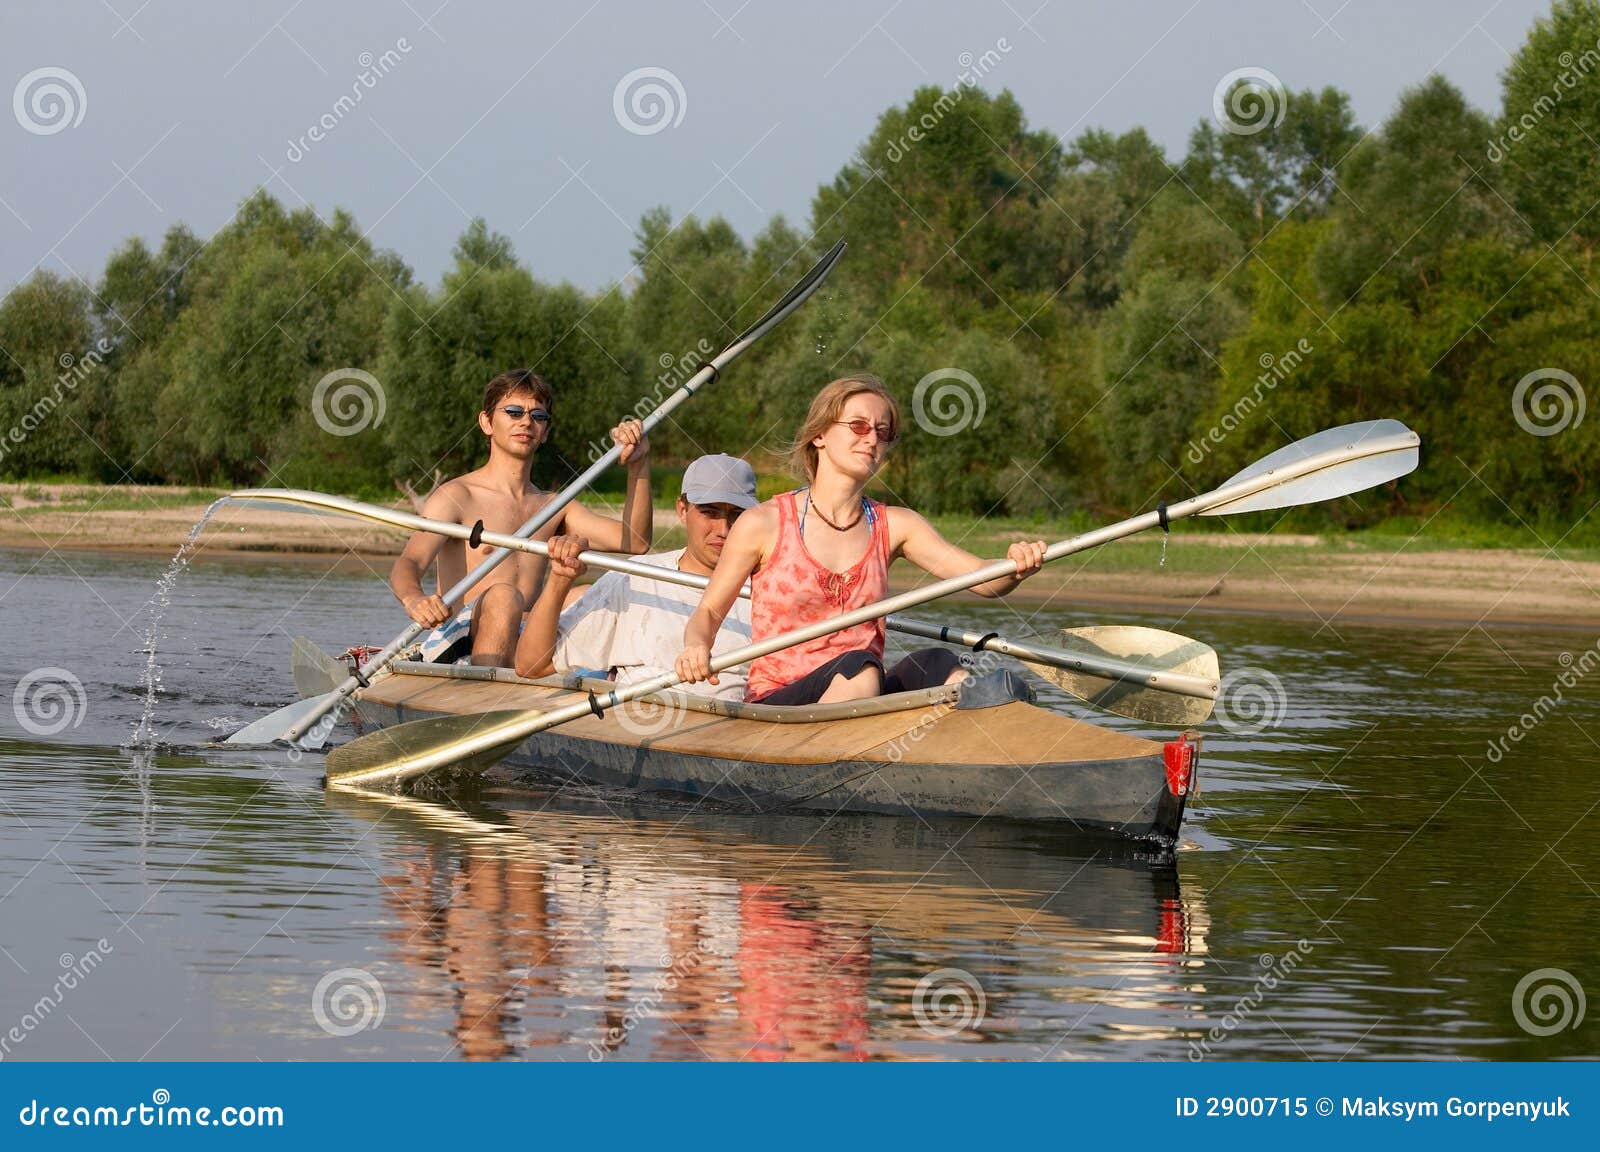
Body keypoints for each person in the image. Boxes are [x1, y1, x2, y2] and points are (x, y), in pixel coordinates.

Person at [675, 375, 1046, 705]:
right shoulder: (763, 523)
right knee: (861, 667)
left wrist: (1015, 566)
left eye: (883, 432)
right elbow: (708, 613)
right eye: (858, 426)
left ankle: (979, 729)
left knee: (937, 662)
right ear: (819, 435)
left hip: (862, 690)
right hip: (781, 703)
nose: (872, 439)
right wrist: (696, 647)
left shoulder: (897, 525)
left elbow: (983, 579)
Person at [389, 369, 653, 667]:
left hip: (524, 642)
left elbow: (635, 541)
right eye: (513, 412)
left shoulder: (554, 506)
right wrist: (414, 599)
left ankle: (597, 679)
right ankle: (489, 692)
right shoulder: (457, 495)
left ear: (545, 432)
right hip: (458, 642)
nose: (526, 422)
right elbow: (410, 561)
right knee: (504, 597)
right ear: (486, 422)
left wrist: (639, 465)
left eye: (538, 416)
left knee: (588, 594)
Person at [514, 454, 757, 700]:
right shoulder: (635, 579)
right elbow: (531, 665)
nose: (723, 529)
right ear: (682, 510)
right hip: (635, 720)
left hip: (736, 722)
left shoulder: (766, 590)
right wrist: (559, 579)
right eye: (710, 512)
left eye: (737, 514)